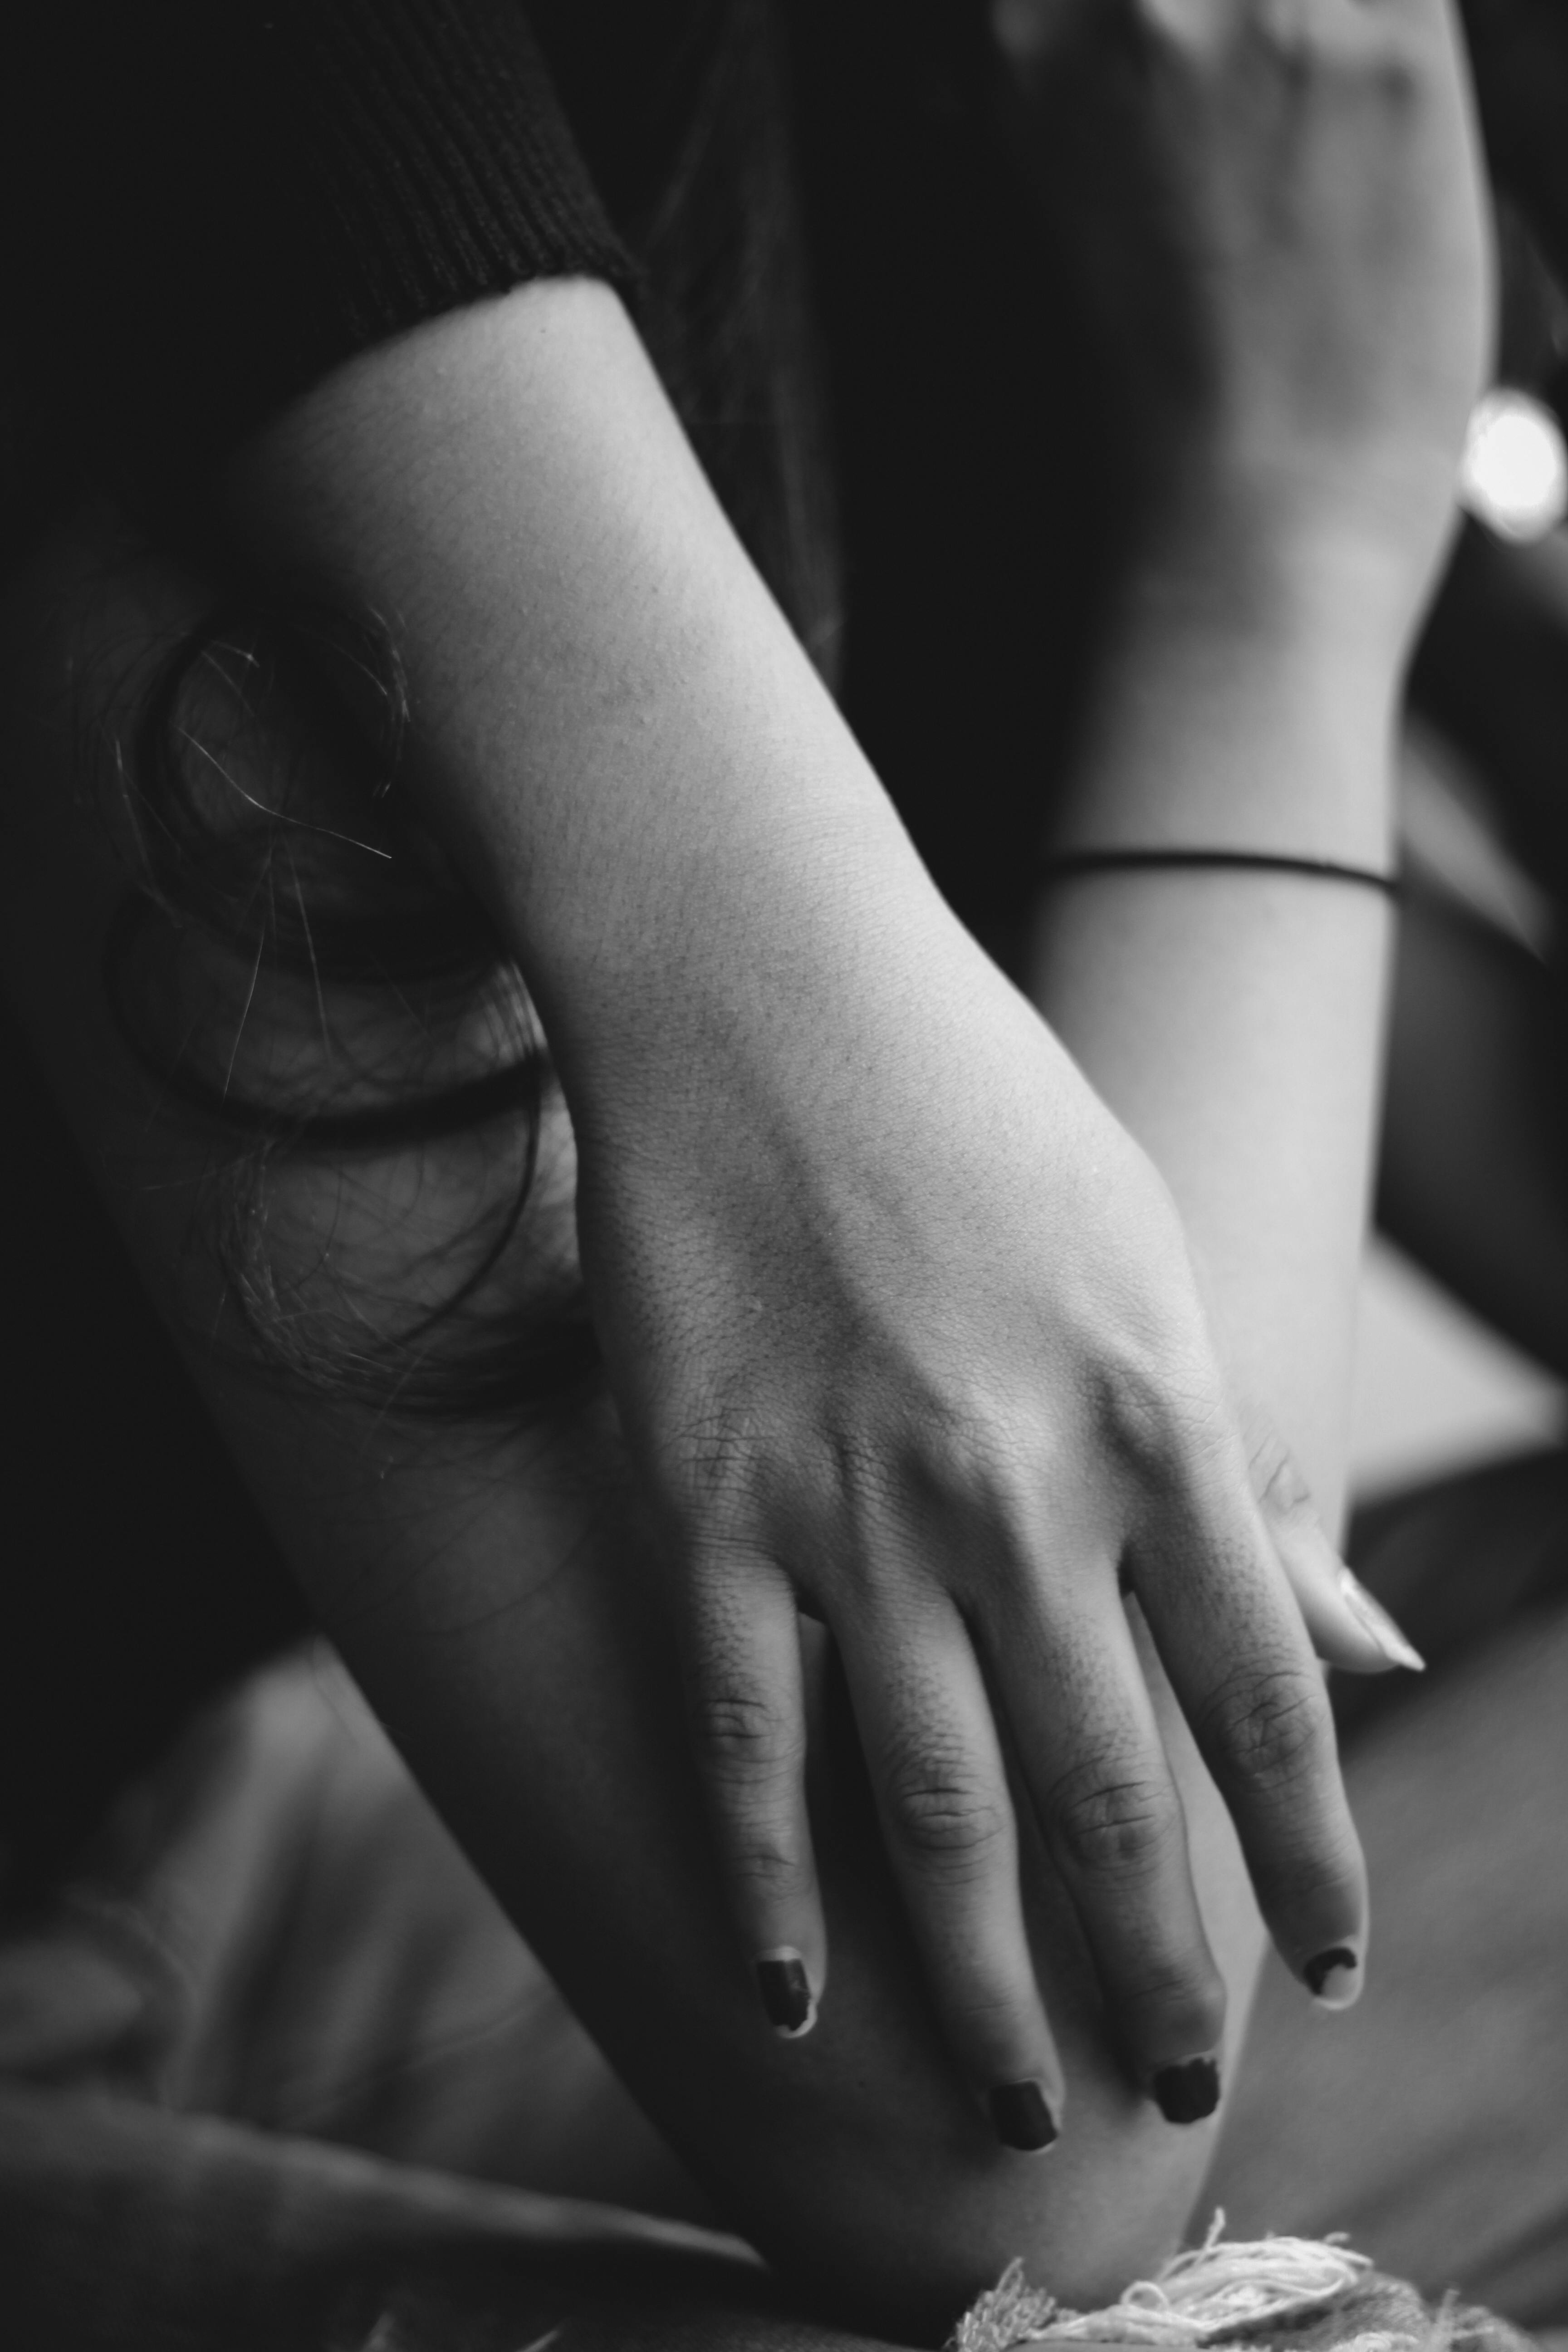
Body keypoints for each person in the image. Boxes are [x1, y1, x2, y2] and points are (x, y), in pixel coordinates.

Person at [0, 0, 1491, 2335]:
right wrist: (1284, 548)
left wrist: (1434, 445)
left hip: (327, 1809)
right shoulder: (282, 144)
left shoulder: (1176, 133)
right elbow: (1047, 2169)